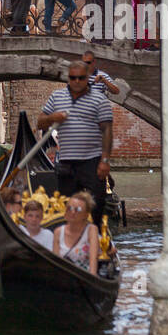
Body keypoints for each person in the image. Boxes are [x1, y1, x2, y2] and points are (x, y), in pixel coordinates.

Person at [36, 63, 113, 225]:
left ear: (87, 78)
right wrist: (52, 118)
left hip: (93, 161)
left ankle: (96, 237)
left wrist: (105, 160)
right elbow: (40, 123)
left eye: (81, 78)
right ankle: (71, 239)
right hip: (67, 162)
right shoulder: (57, 97)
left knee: (97, 204)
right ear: (68, 78)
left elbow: (107, 131)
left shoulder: (100, 100)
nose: (77, 81)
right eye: (73, 78)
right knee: (67, 204)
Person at [52, 191, 99, 275]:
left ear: (86, 215)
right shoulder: (58, 232)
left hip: (85, 278)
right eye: (69, 208)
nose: (72, 212)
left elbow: (93, 265)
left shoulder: (91, 230)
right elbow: (56, 264)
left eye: (78, 210)